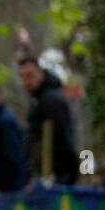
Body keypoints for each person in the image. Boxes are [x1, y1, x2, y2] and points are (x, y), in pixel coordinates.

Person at [18, 57, 77, 187]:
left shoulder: (52, 100)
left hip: (54, 177)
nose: (26, 82)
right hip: (46, 176)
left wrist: (62, 176)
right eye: (22, 77)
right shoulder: (38, 100)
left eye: (30, 76)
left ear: (41, 73)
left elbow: (64, 140)